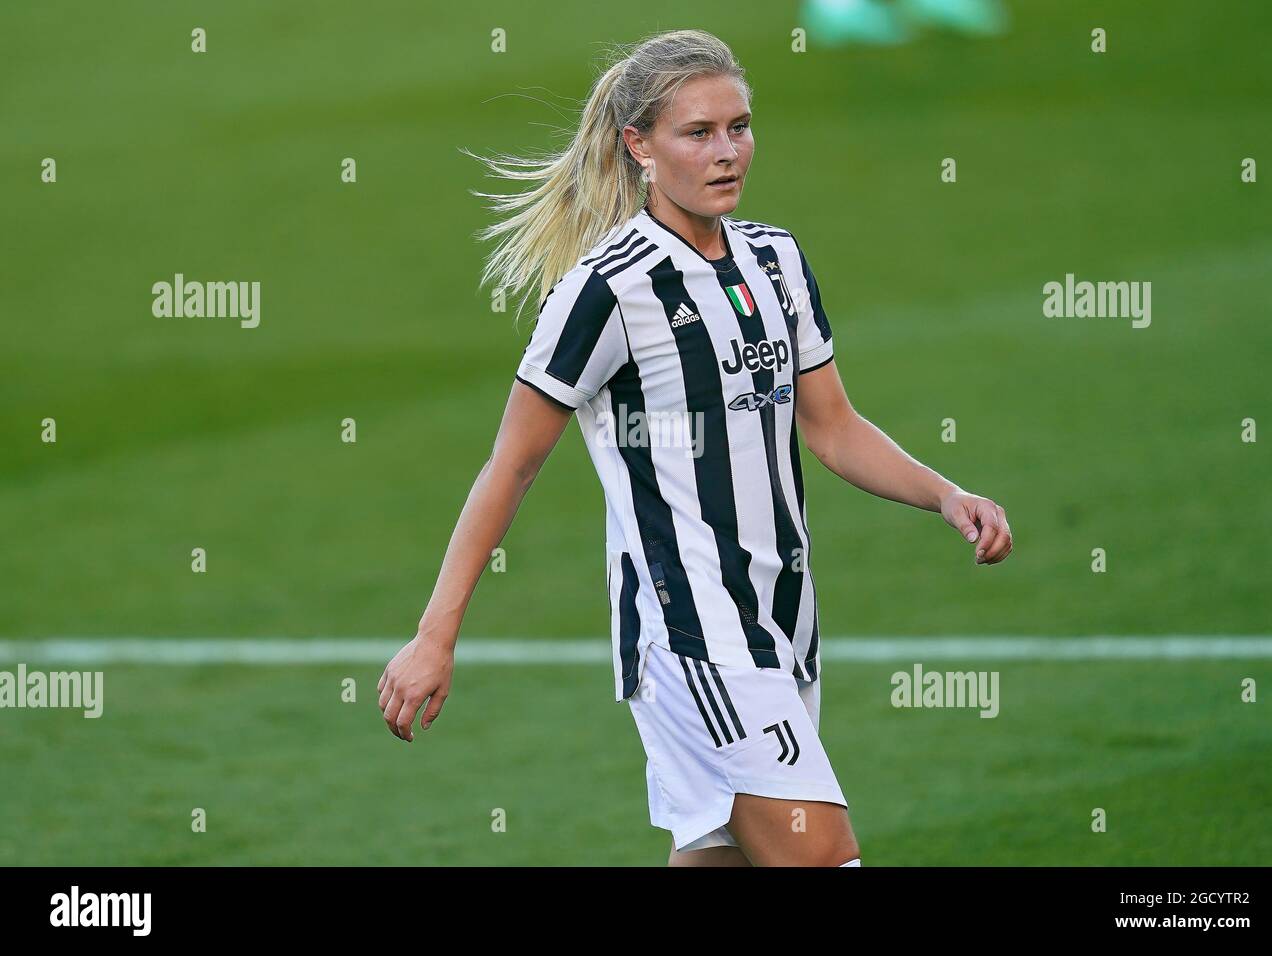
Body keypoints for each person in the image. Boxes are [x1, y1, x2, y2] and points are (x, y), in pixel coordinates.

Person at [377, 29, 1013, 867]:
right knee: (818, 855)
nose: (728, 152)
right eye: (699, 133)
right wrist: (435, 635)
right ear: (638, 146)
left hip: (783, 615)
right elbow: (513, 464)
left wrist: (944, 493)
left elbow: (831, 426)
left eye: (739, 127)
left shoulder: (776, 260)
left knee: (724, 859)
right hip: (690, 627)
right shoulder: (608, 290)